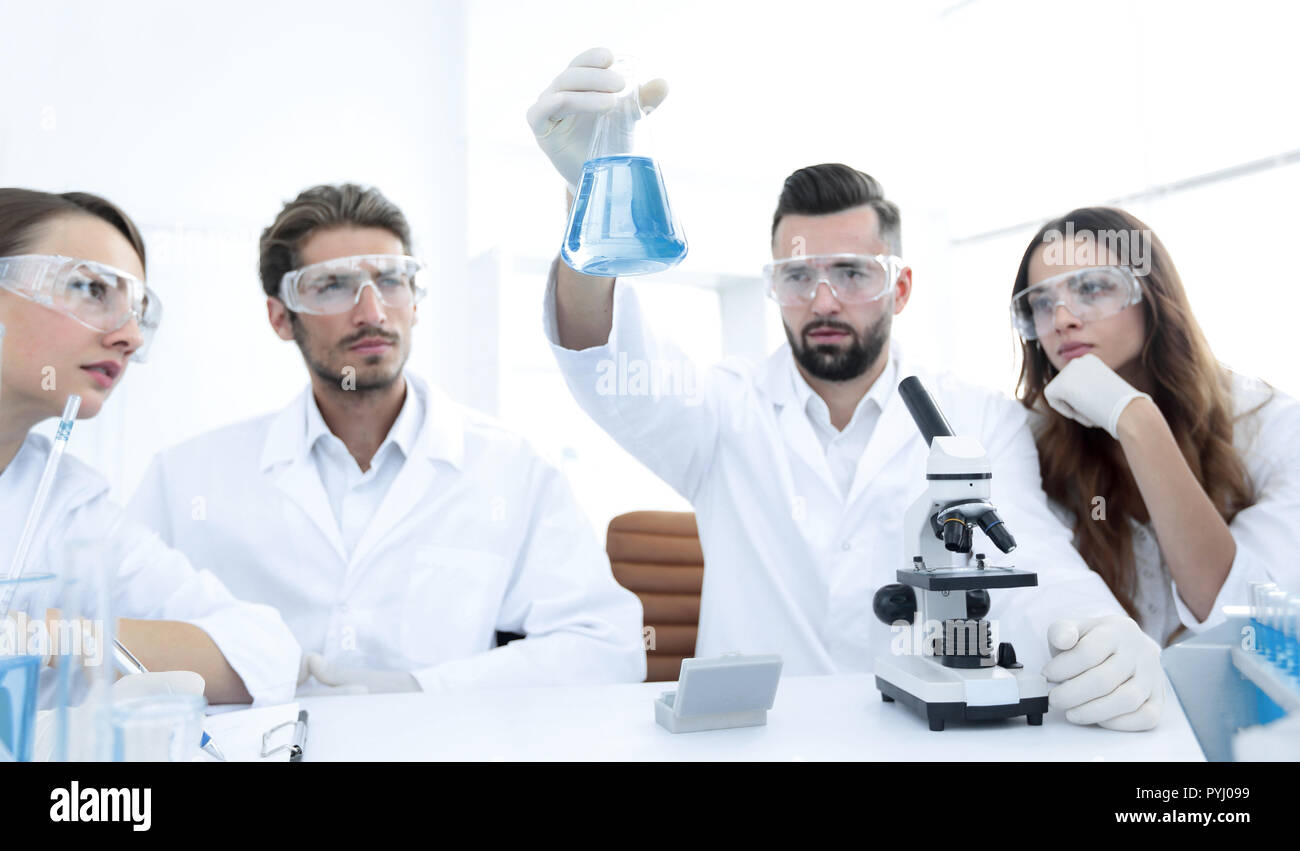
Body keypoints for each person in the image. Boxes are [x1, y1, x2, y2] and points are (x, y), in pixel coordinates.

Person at [525, 47, 1165, 730]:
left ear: (902, 285)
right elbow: (603, 356)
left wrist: (1095, 629)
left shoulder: (977, 418)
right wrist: (589, 206)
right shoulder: (722, 409)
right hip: (752, 744)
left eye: (853, 273)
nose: (824, 299)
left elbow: (1030, 554)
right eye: (799, 276)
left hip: (918, 739)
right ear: (775, 287)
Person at [127, 183, 646, 694]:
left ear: (415, 301)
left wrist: (424, 689)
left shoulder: (510, 468)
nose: (372, 312)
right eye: (332, 285)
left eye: (392, 281)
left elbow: (606, 647)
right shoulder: (187, 477)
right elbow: (110, 638)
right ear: (281, 317)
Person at [0, 188, 299, 706]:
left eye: (138, 310)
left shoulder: (70, 506)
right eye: (91, 290)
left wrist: (41, 635)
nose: (131, 336)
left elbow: (263, 651)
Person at [1010, 206, 1300, 646]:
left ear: (1151, 292)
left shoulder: (1270, 426)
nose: (1063, 319)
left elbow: (1234, 609)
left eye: (1091, 287)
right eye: (1042, 303)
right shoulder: (1029, 440)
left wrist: (1137, 421)